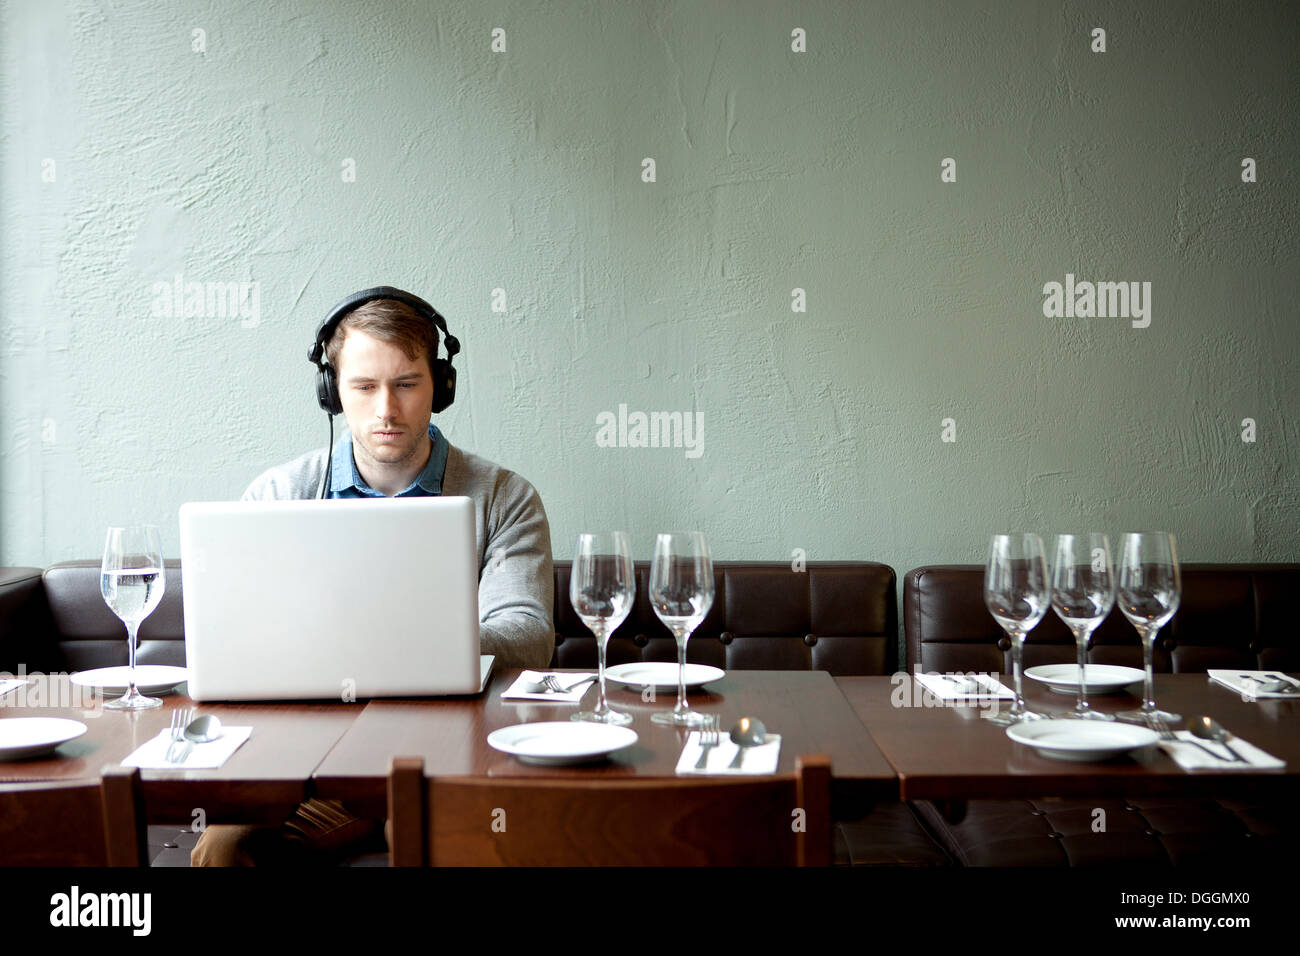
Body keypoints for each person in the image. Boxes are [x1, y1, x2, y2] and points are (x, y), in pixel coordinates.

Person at [191, 286, 554, 866]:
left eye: (407, 384)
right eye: (364, 386)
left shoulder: (504, 497)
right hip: (305, 767)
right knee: (226, 847)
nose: (386, 409)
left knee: (442, 840)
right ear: (333, 391)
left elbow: (528, 632)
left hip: (450, 758)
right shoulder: (279, 495)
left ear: (441, 386)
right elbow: (235, 638)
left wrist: (397, 646)